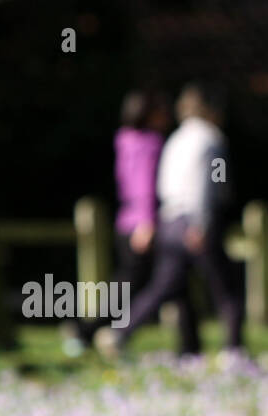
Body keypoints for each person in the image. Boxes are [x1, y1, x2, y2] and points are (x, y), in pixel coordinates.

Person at [96, 81, 243, 358]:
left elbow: (164, 182)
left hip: (170, 219)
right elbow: (210, 182)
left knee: (165, 285)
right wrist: (202, 220)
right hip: (195, 219)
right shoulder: (210, 139)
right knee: (225, 288)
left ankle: (121, 332)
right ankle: (233, 349)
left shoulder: (175, 139)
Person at [70, 90, 190, 352]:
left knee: (142, 282)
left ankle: (188, 342)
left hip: (126, 220)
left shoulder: (124, 139)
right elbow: (145, 186)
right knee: (147, 283)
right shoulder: (151, 143)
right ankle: (88, 329)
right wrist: (147, 223)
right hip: (143, 224)